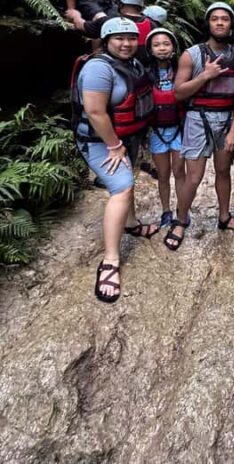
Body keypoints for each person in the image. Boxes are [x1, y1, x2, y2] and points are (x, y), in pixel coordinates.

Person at [71, 16, 157, 304]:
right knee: (122, 187)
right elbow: (95, 112)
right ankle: (110, 260)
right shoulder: (98, 68)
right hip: (101, 141)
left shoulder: (132, 63)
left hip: (125, 137)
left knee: (129, 180)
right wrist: (115, 144)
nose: (126, 43)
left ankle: (131, 223)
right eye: (119, 38)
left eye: (131, 38)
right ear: (106, 41)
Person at [168, 2, 234, 248]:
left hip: (226, 119)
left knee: (224, 171)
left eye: (224, 19)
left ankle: (224, 216)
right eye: (214, 18)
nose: (219, 23)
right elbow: (178, 93)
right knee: (194, 177)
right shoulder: (191, 55)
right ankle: (180, 220)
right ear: (208, 23)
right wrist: (205, 75)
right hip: (198, 118)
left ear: (231, 24)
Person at [145, 28, 186, 230]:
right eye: (157, 45)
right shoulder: (144, 73)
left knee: (179, 172)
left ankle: (181, 210)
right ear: (150, 50)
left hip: (178, 129)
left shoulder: (182, 71)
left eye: (166, 44)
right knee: (163, 174)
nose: (162, 48)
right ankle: (165, 210)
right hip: (156, 131)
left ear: (173, 48)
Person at [66, 0, 156, 64]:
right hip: (142, 72)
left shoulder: (108, 22)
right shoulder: (152, 25)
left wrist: (75, 14)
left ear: (119, 3)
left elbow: (80, 26)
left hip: (113, 68)